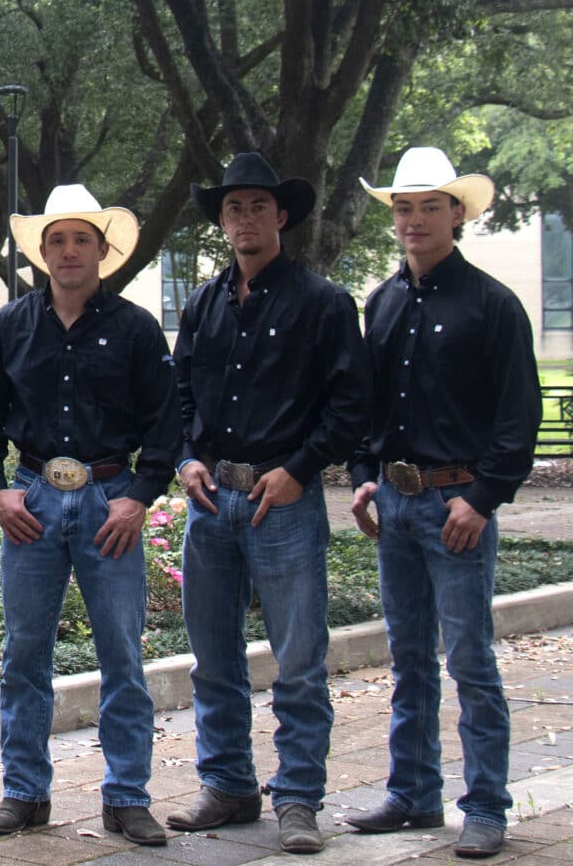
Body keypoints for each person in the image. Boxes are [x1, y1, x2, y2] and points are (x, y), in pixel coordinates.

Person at [165, 153, 371, 855]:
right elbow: (181, 397)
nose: (244, 219)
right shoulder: (204, 304)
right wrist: (187, 458)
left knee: (300, 660)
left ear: (281, 215)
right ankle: (227, 785)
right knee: (213, 659)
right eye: (232, 209)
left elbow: (350, 407)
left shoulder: (324, 303)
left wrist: (299, 470)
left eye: (256, 206)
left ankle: (300, 799)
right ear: (221, 222)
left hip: (283, 500)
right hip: (210, 498)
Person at [345, 148, 540, 860]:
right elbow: (369, 408)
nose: (416, 219)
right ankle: (414, 794)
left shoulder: (492, 305)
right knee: (408, 659)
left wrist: (483, 500)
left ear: (458, 214)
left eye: (430, 206)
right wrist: (364, 473)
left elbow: (519, 416)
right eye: (404, 207)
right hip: (396, 507)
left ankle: (486, 805)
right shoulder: (384, 301)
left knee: (470, 661)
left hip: (459, 506)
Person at [0, 184, 177, 846]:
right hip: (31, 498)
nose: (67, 251)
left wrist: (138, 497)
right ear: (42, 253)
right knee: (24, 654)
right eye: (55, 240)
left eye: (79, 239)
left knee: (121, 653)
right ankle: (24, 794)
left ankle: (126, 796)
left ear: (102, 250)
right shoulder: (10, 324)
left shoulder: (137, 329)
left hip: (107, 501)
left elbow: (166, 422)